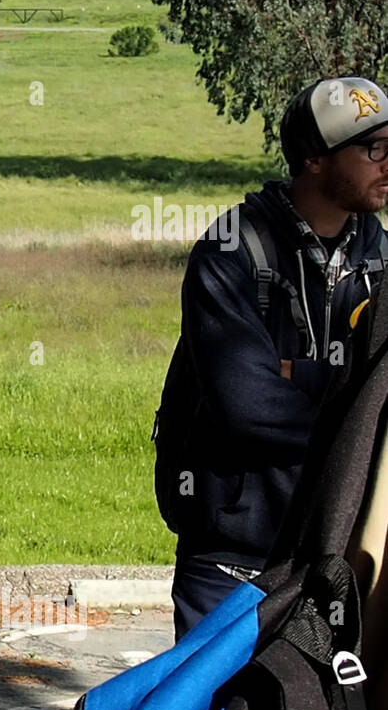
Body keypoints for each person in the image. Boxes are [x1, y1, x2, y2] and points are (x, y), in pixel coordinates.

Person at [161, 76, 388, 640]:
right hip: (233, 552)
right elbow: (248, 407)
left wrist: (300, 377)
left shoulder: (379, 255)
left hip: (333, 542)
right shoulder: (233, 251)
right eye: (374, 148)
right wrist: (351, 411)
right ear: (313, 159)